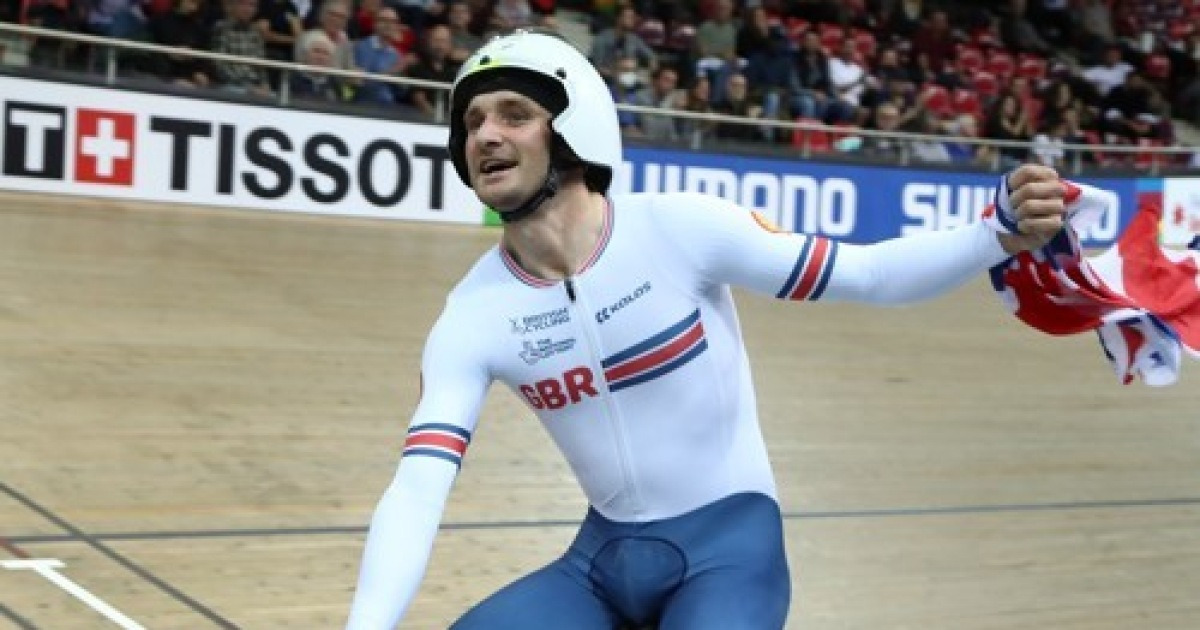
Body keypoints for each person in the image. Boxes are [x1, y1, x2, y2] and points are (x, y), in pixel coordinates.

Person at [344, 29, 1069, 630]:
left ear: (572, 129)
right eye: (472, 122)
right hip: (599, 568)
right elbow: (417, 491)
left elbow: (871, 274)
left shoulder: (680, 229)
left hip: (730, 553)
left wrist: (995, 233)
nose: (485, 135)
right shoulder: (472, 314)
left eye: (513, 114)